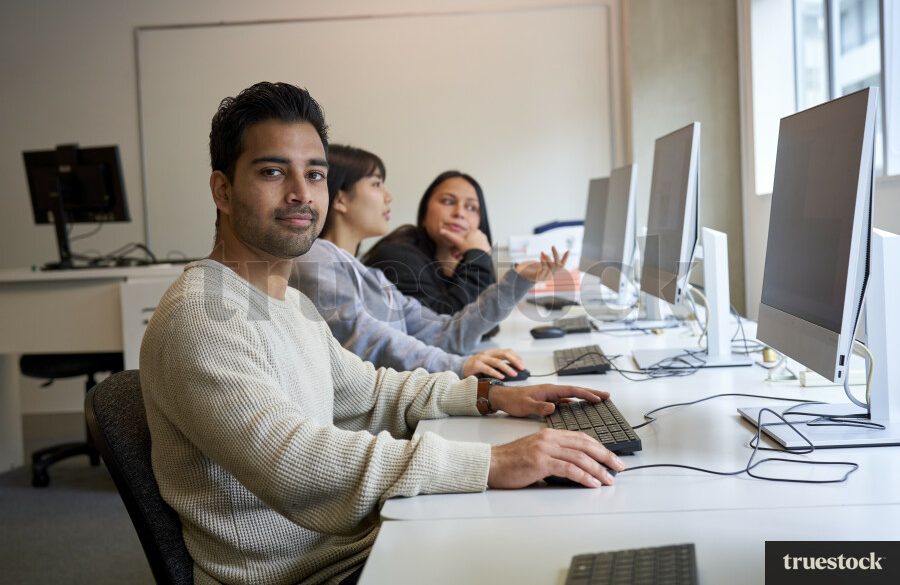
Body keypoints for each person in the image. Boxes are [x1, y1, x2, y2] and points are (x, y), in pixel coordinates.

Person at [140, 82, 624, 585]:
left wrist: (493, 397)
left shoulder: (286, 301)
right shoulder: (201, 316)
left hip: (353, 545)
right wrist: (491, 462)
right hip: (303, 574)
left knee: (558, 533)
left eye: (315, 174)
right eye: (272, 171)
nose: (301, 193)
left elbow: (374, 392)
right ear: (222, 189)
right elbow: (294, 462)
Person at [291, 144, 568, 380]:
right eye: (376, 184)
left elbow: (446, 332)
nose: (389, 196)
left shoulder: (373, 278)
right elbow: (364, 338)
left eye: (471, 208)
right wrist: (459, 366)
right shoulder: (314, 258)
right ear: (339, 198)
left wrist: (517, 279)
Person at [361, 170, 496, 315]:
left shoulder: (464, 262)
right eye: (448, 201)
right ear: (424, 214)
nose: (460, 213)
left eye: (471, 208)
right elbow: (451, 327)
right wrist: (478, 258)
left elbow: (490, 325)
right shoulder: (399, 254)